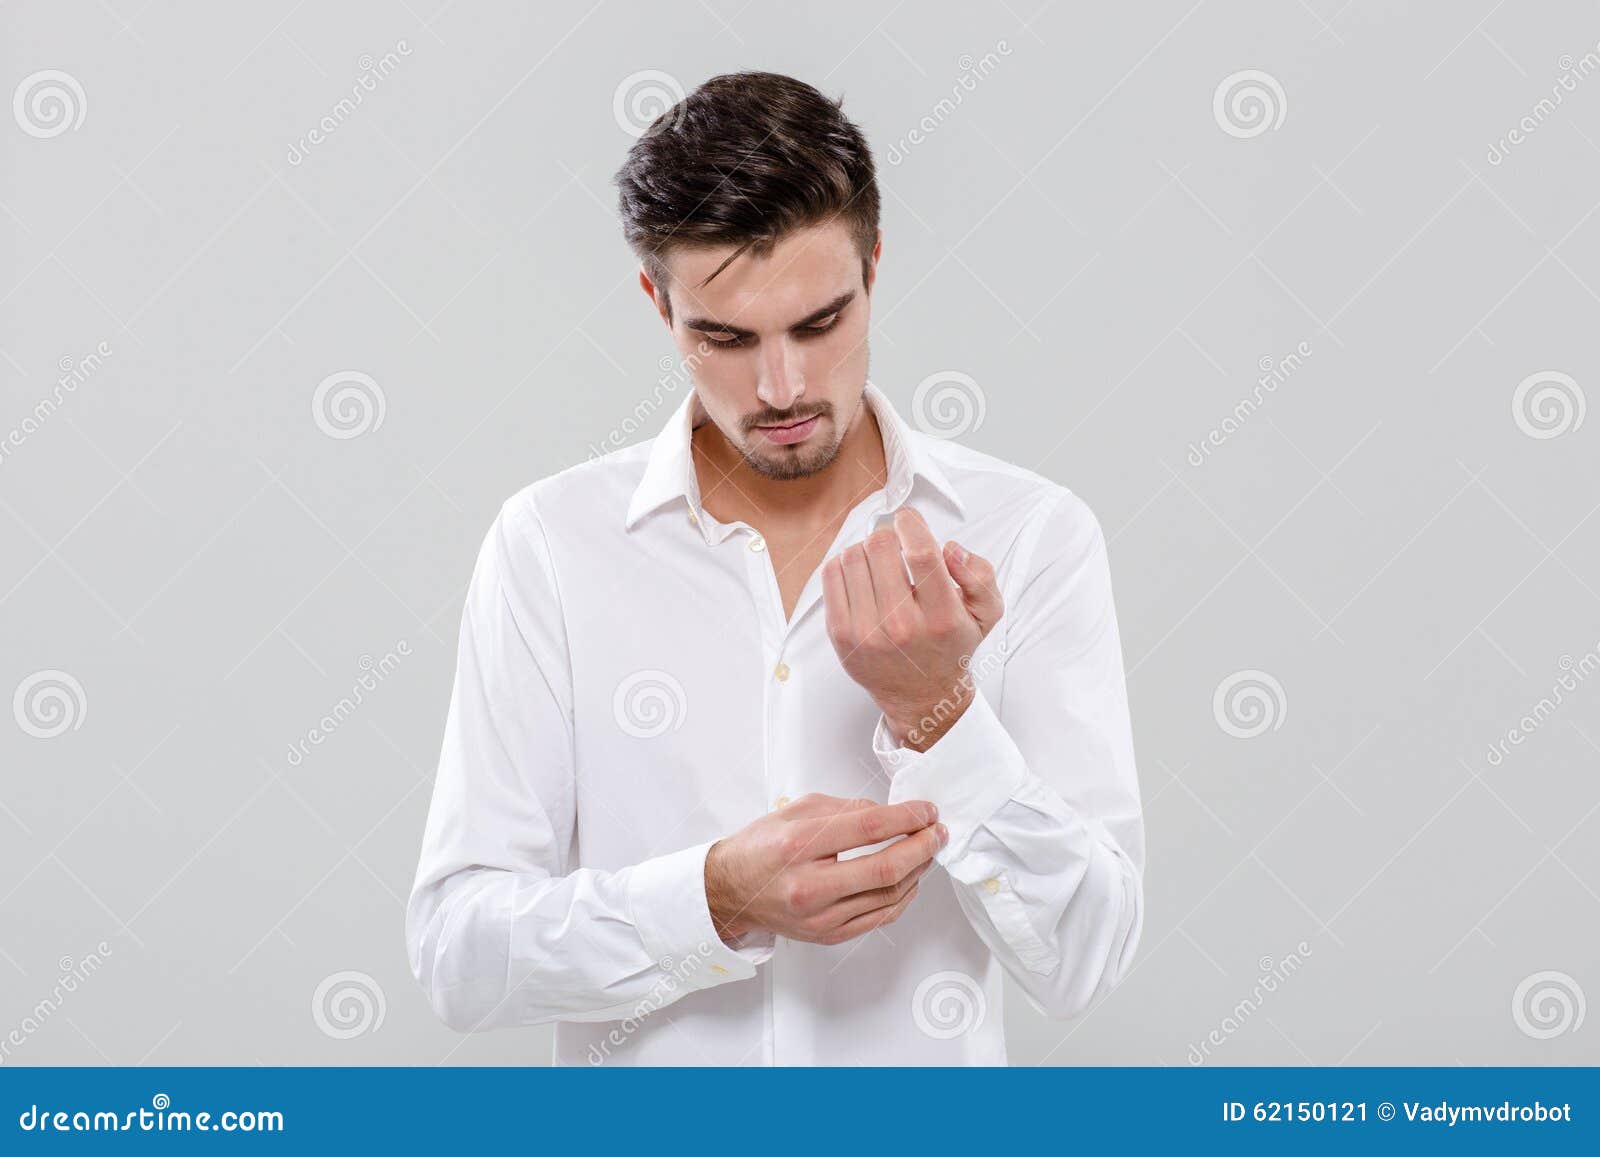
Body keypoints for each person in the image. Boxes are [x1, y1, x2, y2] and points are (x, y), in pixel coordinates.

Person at [405, 70, 1144, 1065]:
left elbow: (1085, 958)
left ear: (873, 269)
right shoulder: (550, 543)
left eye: (818, 323)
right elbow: (456, 951)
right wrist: (712, 898)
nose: (782, 385)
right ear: (656, 304)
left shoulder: (1031, 533)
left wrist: (940, 714)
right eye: (726, 337)